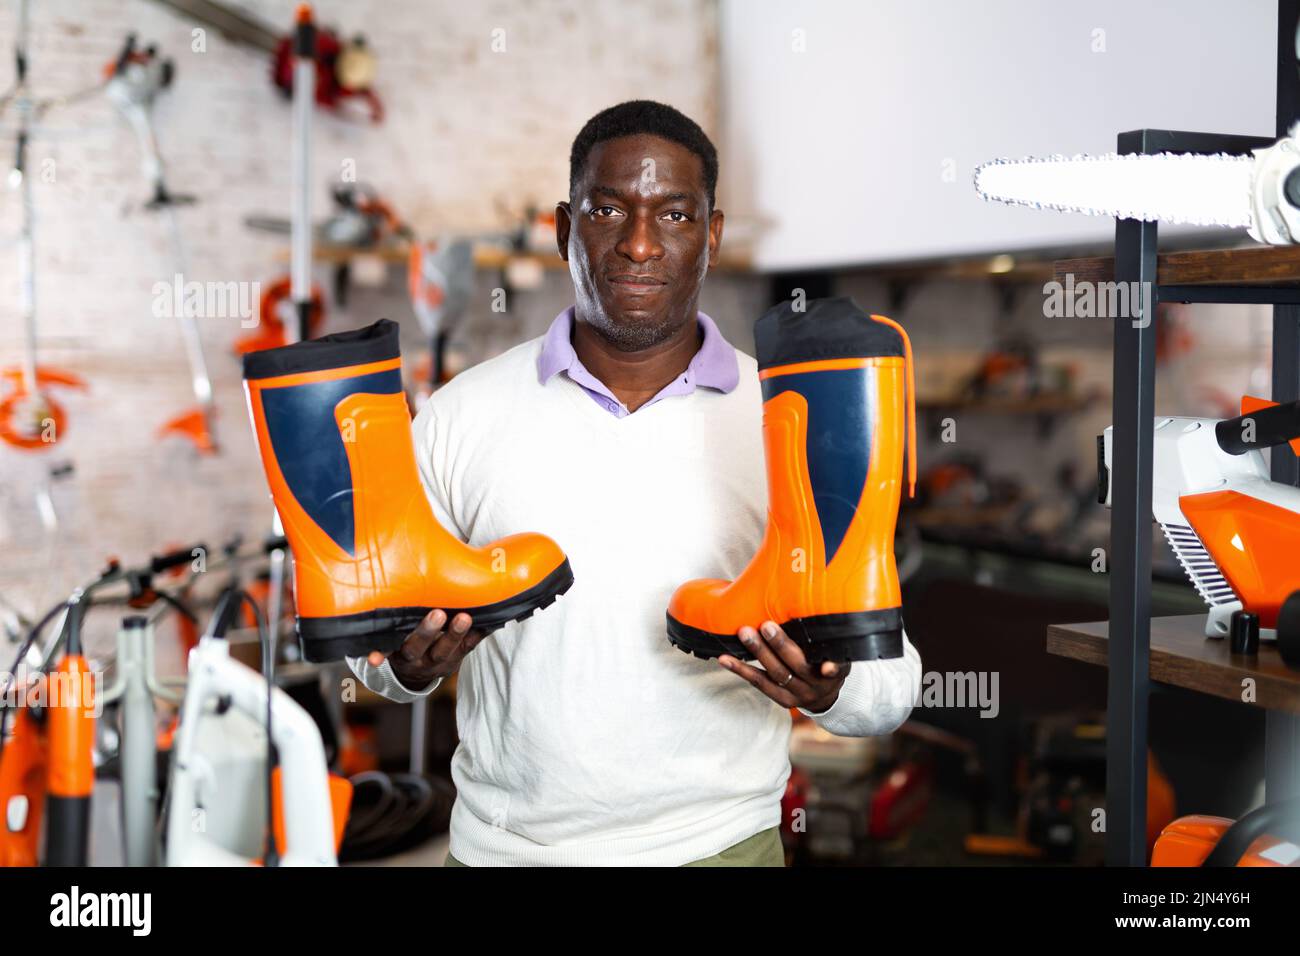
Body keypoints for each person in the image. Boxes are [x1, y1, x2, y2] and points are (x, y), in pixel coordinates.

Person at [347, 100, 921, 866]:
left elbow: (888, 687)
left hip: (719, 848)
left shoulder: (792, 418)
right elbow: (368, 653)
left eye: (675, 215)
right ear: (563, 228)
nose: (640, 244)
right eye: (608, 209)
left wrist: (830, 689)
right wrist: (404, 667)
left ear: (711, 236)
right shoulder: (458, 415)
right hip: (503, 853)